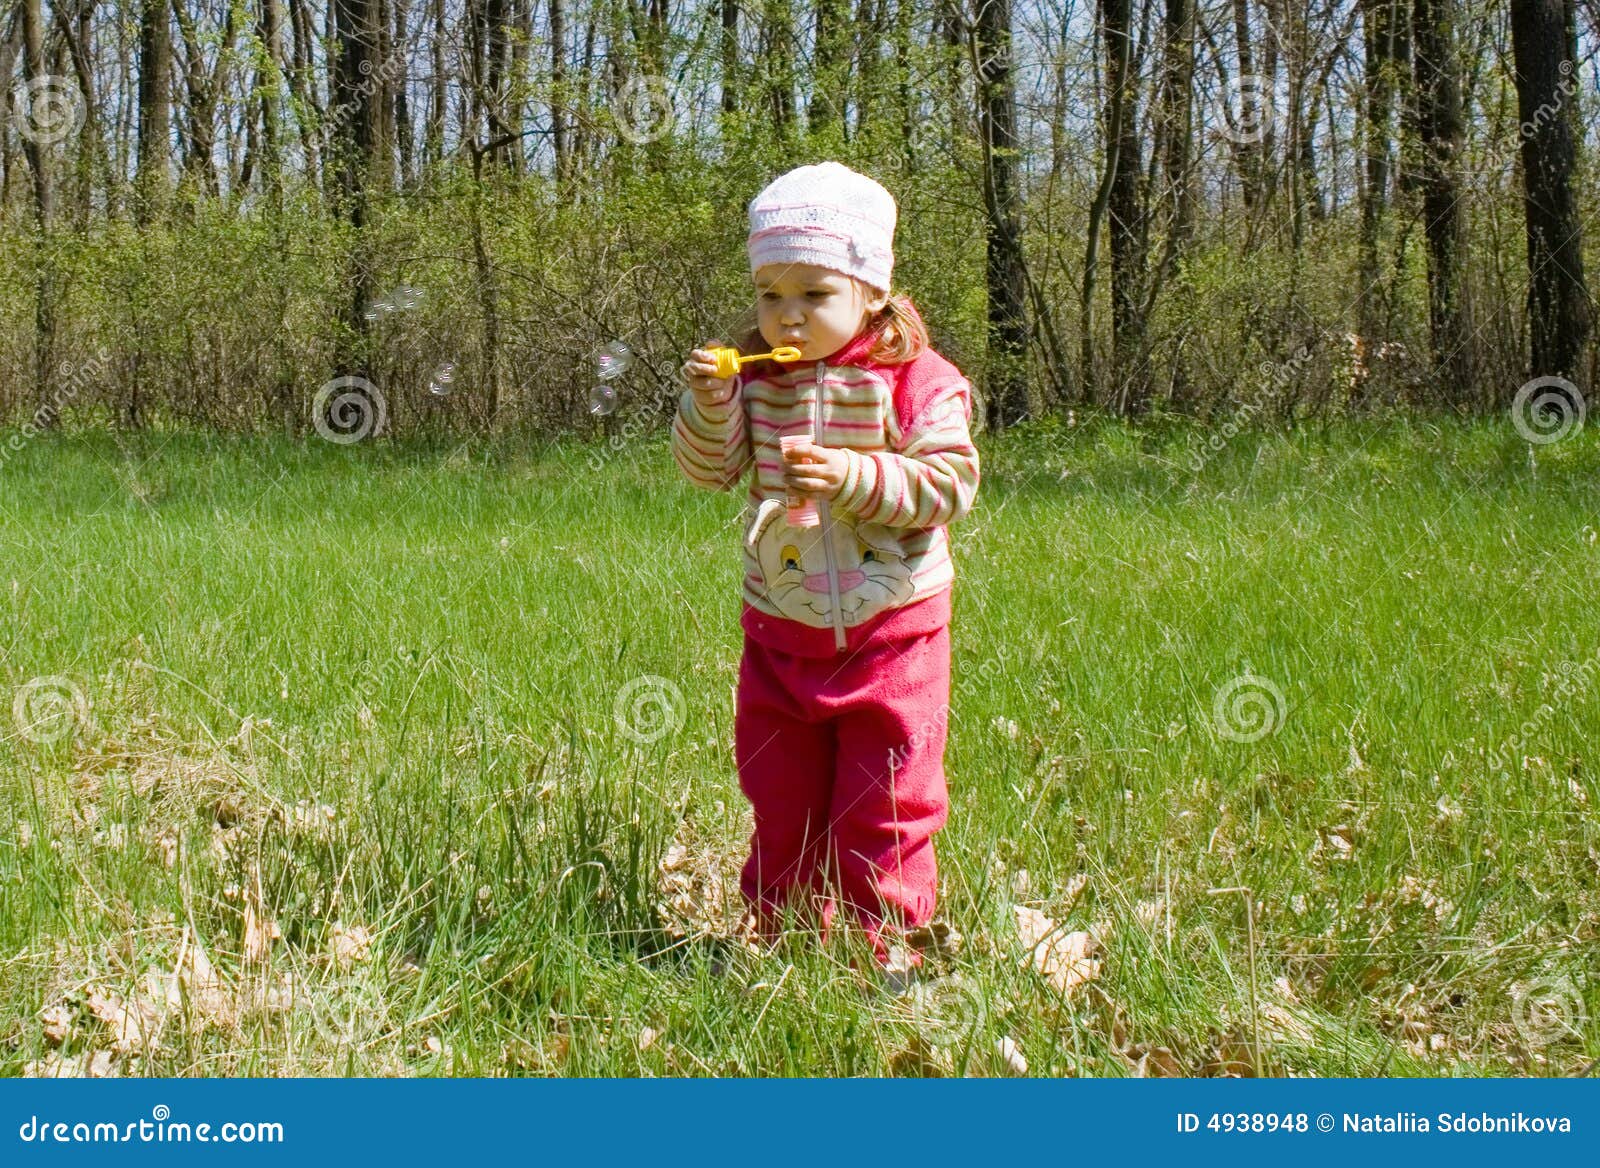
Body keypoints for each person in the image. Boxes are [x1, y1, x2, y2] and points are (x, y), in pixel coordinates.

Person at [671, 161, 981, 975]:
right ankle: (781, 945)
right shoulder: (758, 381)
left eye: (813, 294)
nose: (785, 317)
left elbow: (951, 482)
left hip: (893, 632)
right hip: (782, 627)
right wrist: (711, 408)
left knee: (883, 802)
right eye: (770, 293)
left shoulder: (918, 381)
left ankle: (885, 954)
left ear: (872, 291)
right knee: (781, 797)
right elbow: (710, 469)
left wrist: (854, 477)